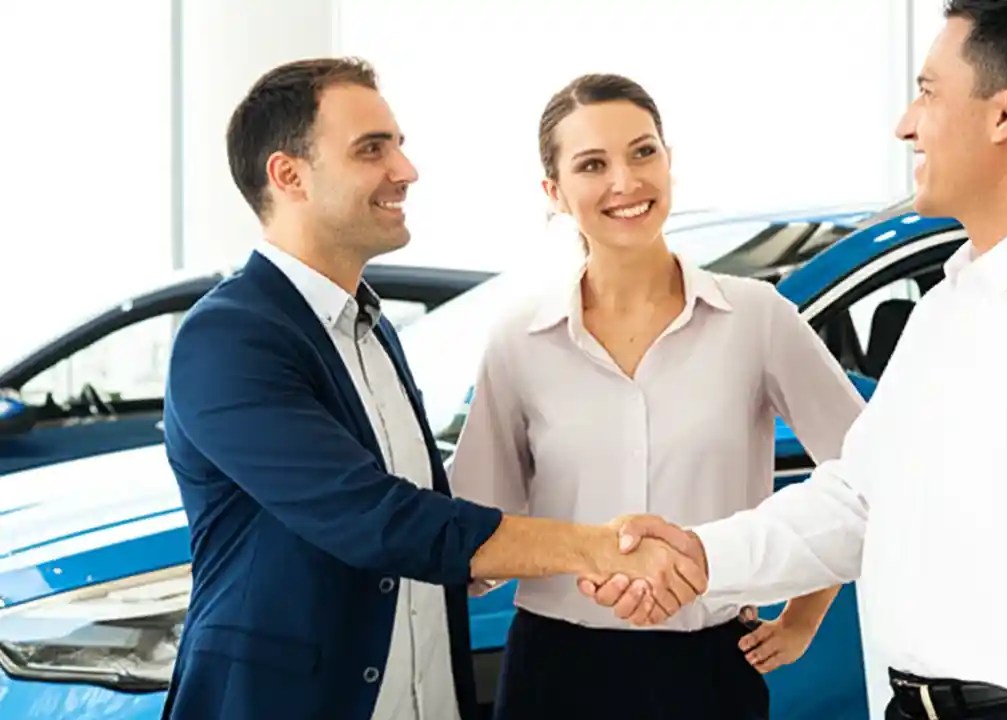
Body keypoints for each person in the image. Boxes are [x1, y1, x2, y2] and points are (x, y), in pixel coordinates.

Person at [586, 2, 1007, 719]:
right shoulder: (950, 305)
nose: (905, 122)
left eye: (928, 92)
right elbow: (861, 500)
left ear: (1005, 114)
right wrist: (702, 555)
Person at [161, 58, 705, 720]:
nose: (405, 170)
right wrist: (596, 545)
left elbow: (426, 513)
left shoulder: (368, 327)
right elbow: (375, 518)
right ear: (289, 175)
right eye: (372, 150)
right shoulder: (228, 339)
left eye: (398, 145)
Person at [447, 72, 865, 720]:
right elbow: (480, 527)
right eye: (593, 164)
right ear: (553, 192)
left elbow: (866, 473)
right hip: (555, 670)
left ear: (669, 161)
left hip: (706, 669)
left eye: (644, 152)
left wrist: (803, 617)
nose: (626, 182)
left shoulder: (756, 317)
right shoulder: (518, 342)